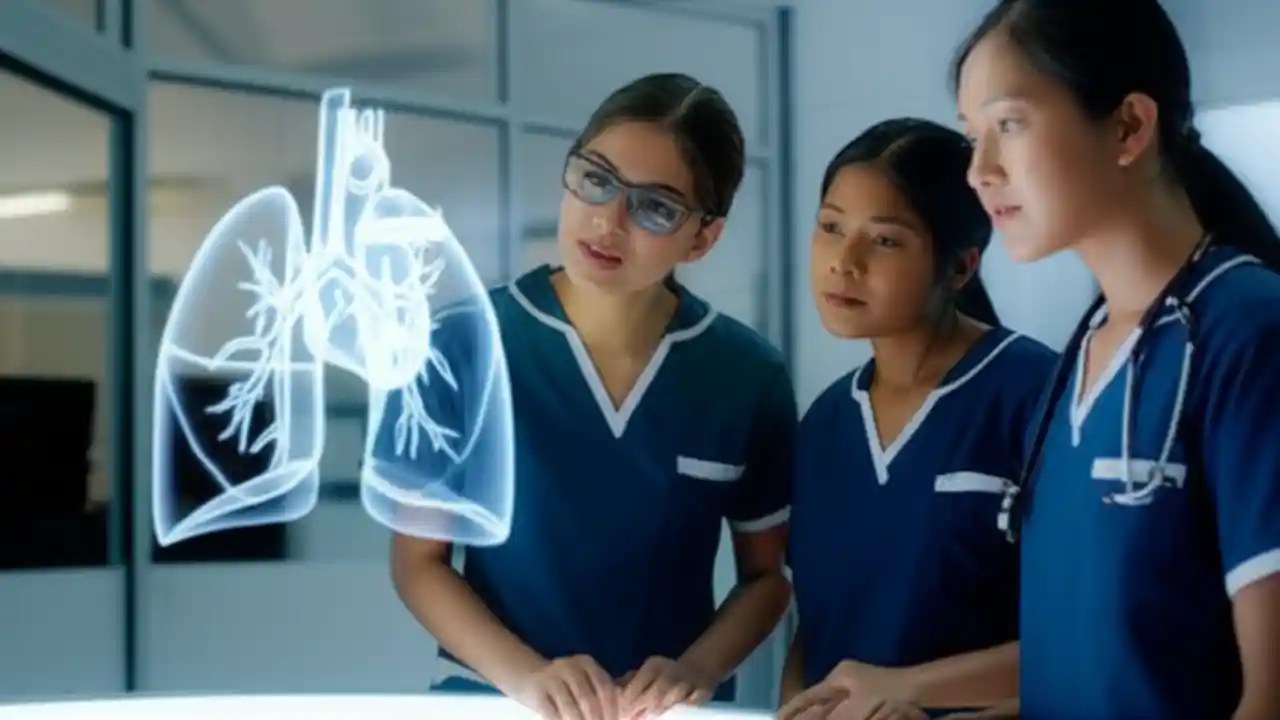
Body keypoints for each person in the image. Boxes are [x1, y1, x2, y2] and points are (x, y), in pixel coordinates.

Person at [387, 72, 796, 720]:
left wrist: (698, 668)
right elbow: (418, 561)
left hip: (665, 713)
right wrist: (526, 677)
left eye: (655, 207)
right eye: (595, 179)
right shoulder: (460, 344)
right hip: (493, 699)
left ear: (704, 237)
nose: (608, 220)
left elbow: (766, 578)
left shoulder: (746, 377)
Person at [953, 1, 1280, 718]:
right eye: (971, 135)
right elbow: (1108, 658)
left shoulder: (1247, 335)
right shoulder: (1081, 359)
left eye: (1008, 125)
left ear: (1129, 126)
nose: (979, 170)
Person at [777, 118, 1058, 720]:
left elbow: (1092, 640)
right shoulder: (826, 424)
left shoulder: (1038, 396)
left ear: (959, 268)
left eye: (884, 241)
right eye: (830, 228)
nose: (843, 262)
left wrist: (916, 692)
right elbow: (821, 623)